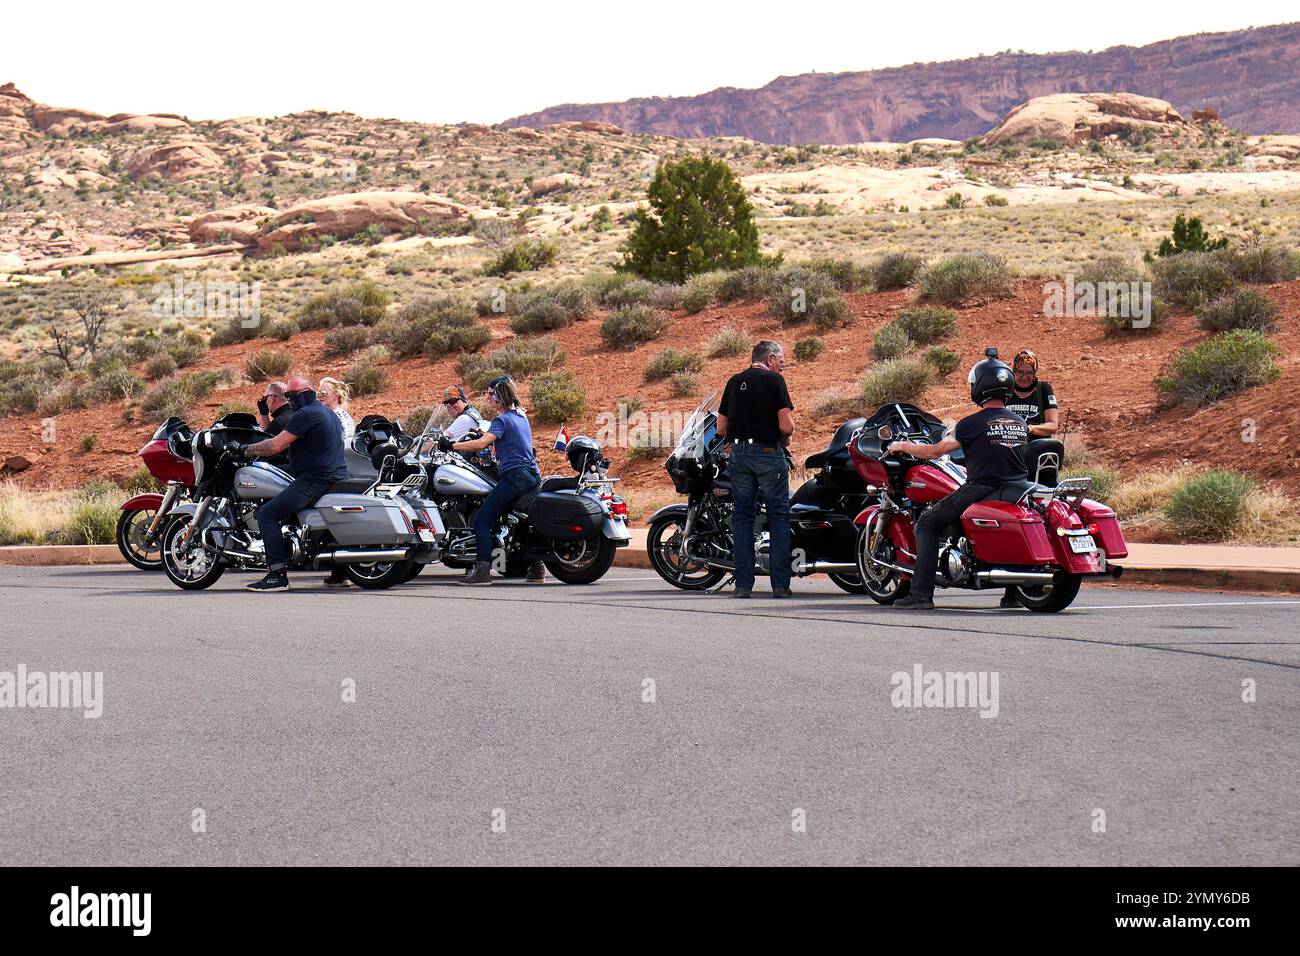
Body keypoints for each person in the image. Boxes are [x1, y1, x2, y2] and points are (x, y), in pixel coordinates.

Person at [886, 356, 1028, 610]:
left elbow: (934, 452)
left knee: (928, 522)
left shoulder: (970, 424)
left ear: (980, 386)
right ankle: (1014, 593)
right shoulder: (1020, 423)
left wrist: (901, 446)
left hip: (982, 488)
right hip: (1017, 487)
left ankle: (920, 594)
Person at [231, 376, 348, 593]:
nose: (292, 400)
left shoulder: (305, 414)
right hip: (334, 476)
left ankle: (277, 575)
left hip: (316, 478)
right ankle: (340, 572)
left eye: (294, 395)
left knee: (267, 514)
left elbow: (275, 445)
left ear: (307, 392)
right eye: (289, 396)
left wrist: (242, 449)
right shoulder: (328, 413)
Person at [441, 376, 545, 585]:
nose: (487, 398)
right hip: (531, 474)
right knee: (519, 519)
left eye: (490, 394)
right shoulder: (520, 415)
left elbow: (481, 444)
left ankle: (482, 571)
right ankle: (536, 567)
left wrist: (451, 446)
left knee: (482, 521)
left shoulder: (502, 419)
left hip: (515, 476)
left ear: (499, 396)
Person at [715, 340, 795, 599]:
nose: (782, 365)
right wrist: (784, 438)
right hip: (769, 454)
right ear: (770, 358)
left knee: (742, 517)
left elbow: (720, 428)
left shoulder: (734, 381)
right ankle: (780, 586)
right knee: (779, 516)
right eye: (781, 360)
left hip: (738, 455)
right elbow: (787, 426)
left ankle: (743, 586)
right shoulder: (775, 382)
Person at [1004, 350, 1059, 438]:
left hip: (1038, 447)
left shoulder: (1043, 389)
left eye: (1029, 373)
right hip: (1010, 447)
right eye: (1020, 372)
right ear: (1014, 372)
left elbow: (1053, 426)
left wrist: (1030, 429)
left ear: (1034, 373)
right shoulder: (1005, 389)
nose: (1024, 377)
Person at [256, 381, 293, 472]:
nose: (264, 402)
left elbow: (264, 447)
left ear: (272, 398)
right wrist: (264, 414)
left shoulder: (279, 422)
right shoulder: (295, 413)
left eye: (265, 398)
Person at [318, 377, 356, 443]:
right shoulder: (342, 413)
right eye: (318, 393)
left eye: (323, 393)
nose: (320, 396)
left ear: (335, 396)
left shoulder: (334, 416)